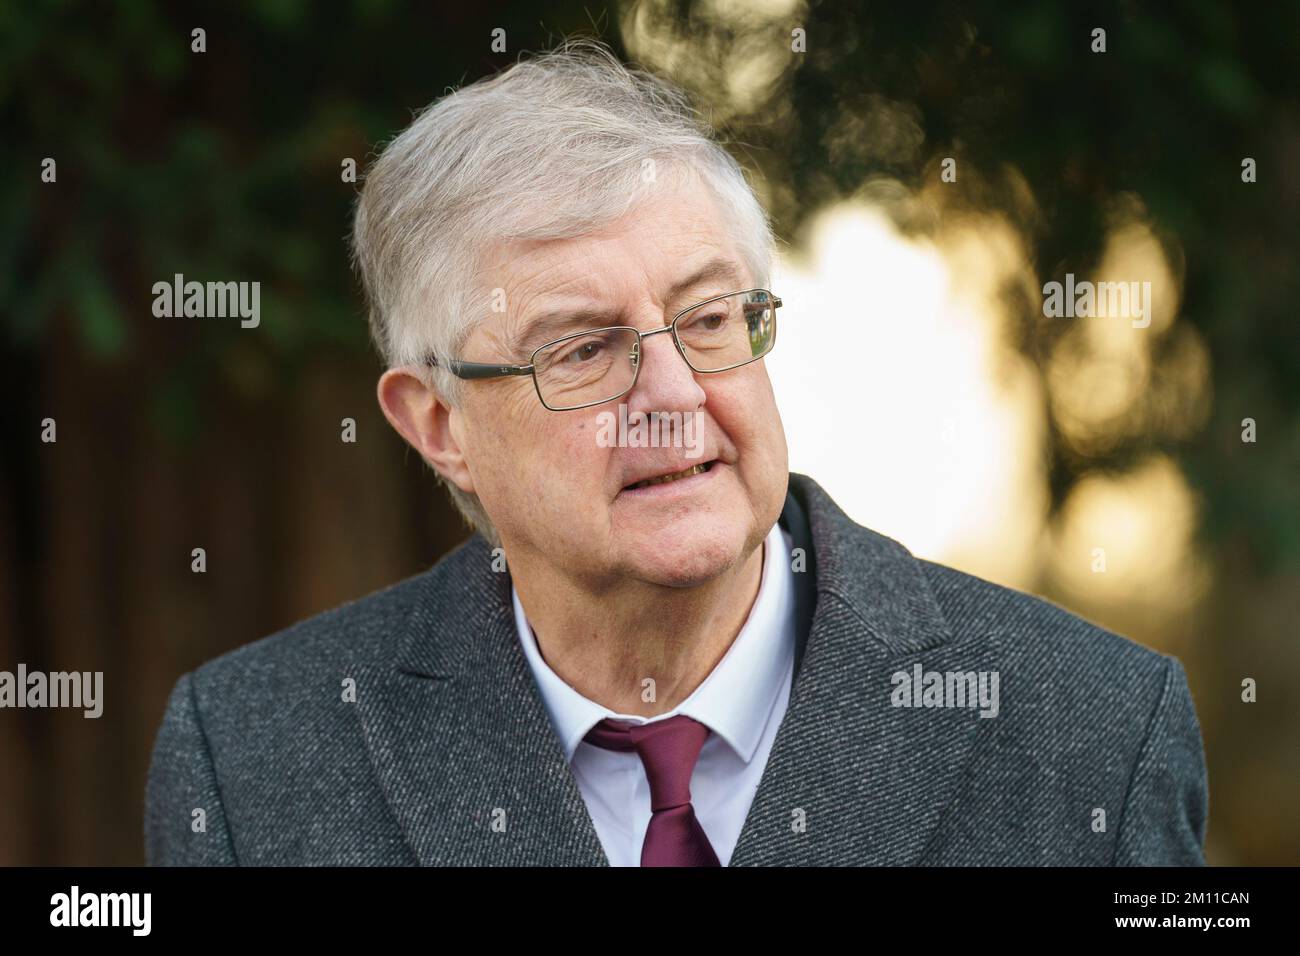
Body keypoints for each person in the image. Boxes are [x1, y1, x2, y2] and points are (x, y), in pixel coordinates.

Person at [145, 39, 1208, 866]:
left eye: (707, 318)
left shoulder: (1094, 732)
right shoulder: (251, 760)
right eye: (581, 348)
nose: (673, 393)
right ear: (436, 425)